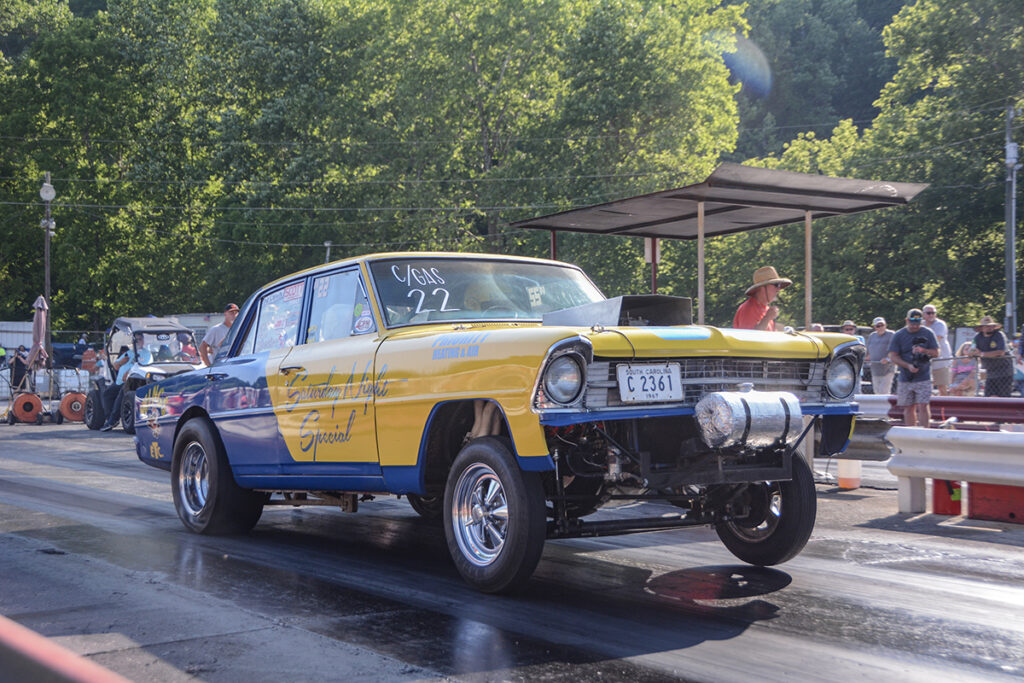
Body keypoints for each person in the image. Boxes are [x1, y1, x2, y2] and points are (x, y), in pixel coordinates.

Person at [888, 308, 939, 427]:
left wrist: (924, 350)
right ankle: (911, 432)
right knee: (908, 407)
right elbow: (893, 356)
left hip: (924, 376)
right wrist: (907, 366)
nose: (915, 326)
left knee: (923, 405)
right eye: (912, 322)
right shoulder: (899, 335)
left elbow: (936, 352)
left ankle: (925, 432)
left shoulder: (928, 333)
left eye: (918, 323)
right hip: (905, 377)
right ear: (907, 320)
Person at [732, 266, 791, 331]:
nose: (778, 289)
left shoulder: (766, 309)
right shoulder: (748, 308)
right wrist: (767, 317)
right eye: (776, 285)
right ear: (762, 288)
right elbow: (750, 337)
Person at [971, 315, 1012, 397]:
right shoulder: (977, 337)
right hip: (990, 372)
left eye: (991, 326)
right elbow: (972, 351)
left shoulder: (999, 335)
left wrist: (981, 354)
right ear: (982, 328)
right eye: (987, 326)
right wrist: (973, 352)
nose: (989, 328)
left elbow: (1000, 352)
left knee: (1004, 398)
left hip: (1004, 371)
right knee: (989, 397)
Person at [100, 344, 136, 431]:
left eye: (139, 339)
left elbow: (143, 366)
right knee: (107, 394)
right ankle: (110, 419)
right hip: (119, 382)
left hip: (132, 381)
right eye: (136, 339)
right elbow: (116, 366)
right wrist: (121, 362)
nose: (137, 342)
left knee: (121, 395)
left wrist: (128, 372)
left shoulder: (145, 354)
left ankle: (113, 419)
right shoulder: (128, 353)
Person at [922, 305, 953, 395]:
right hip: (925, 361)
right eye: (929, 313)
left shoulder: (940, 324)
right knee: (925, 386)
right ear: (923, 314)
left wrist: (921, 348)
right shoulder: (921, 325)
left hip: (941, 359)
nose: (931, 315)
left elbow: (936, 340)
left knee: (942, 386)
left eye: (933, 313)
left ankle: (944, 407)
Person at [867, 317, 896, 394]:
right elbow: (868, 352)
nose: (880, 327)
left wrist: (887, 359)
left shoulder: (891, 334)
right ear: (874, 327)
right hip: (875, 369)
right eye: (878, 326)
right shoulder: (872, 336)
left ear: (885, 325)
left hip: (888, 369)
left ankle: (886, 406)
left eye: (882, 325)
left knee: (884, 391)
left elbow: (894, 350)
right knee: (877, 392)